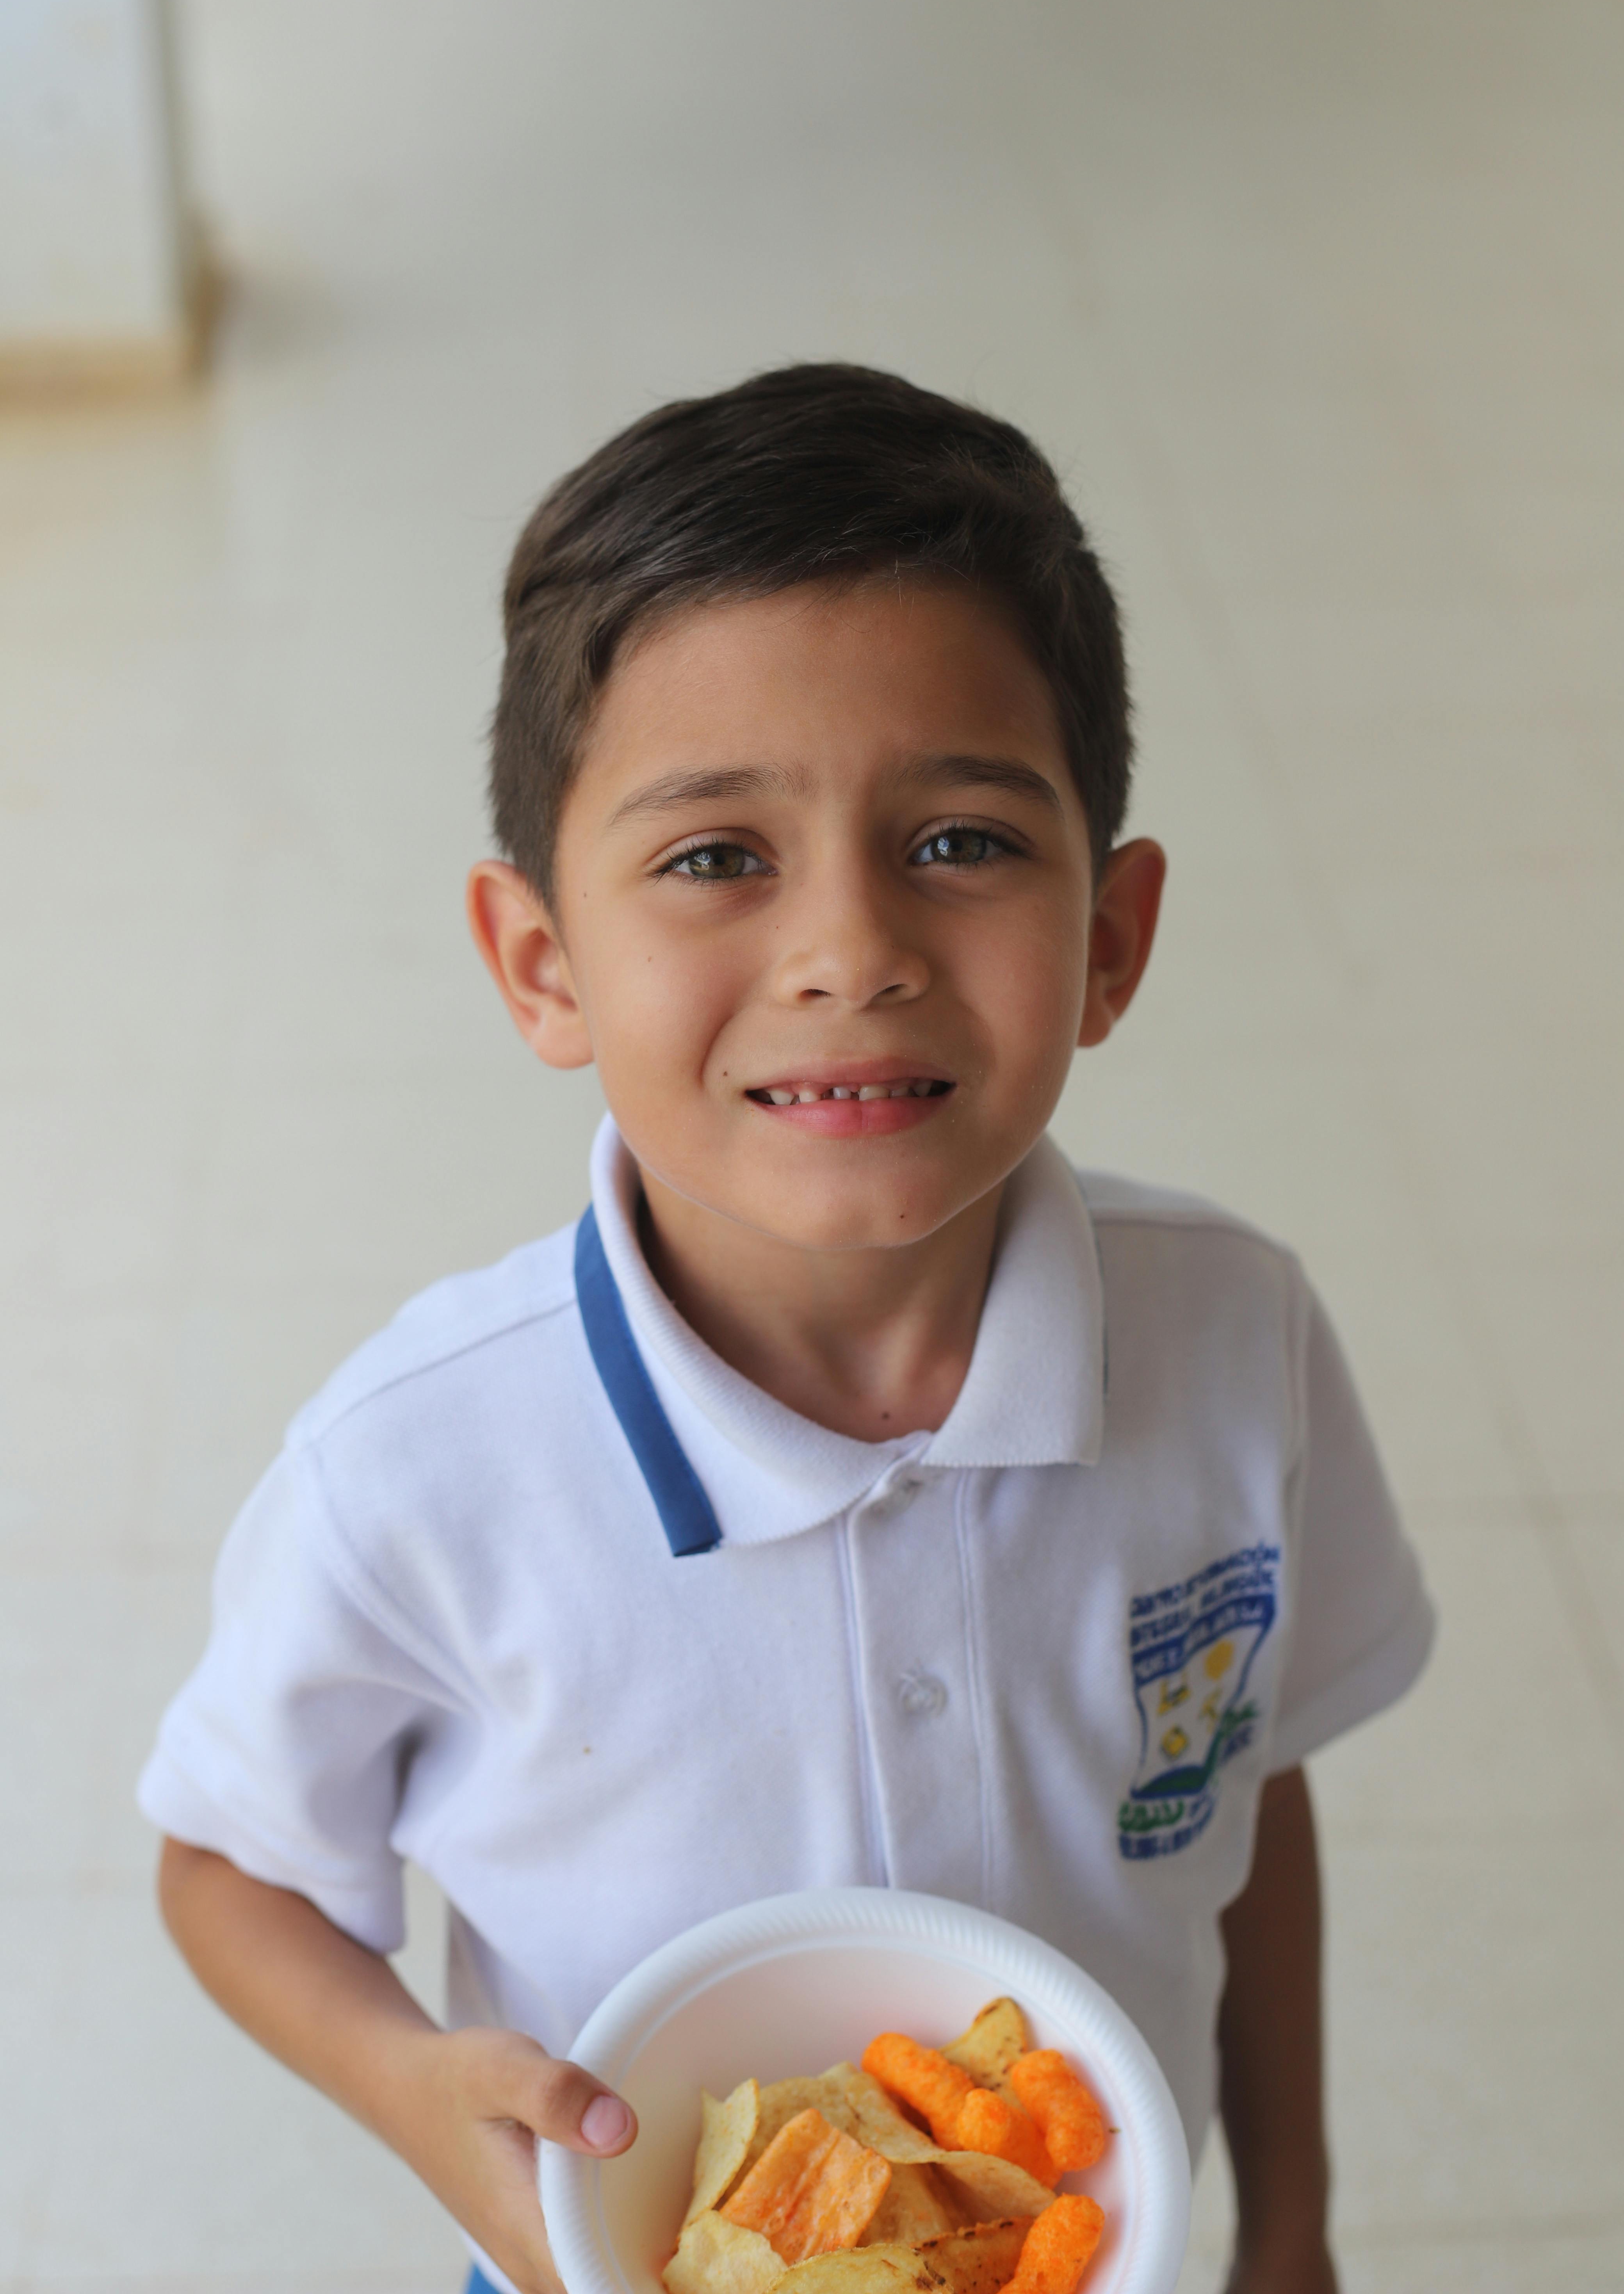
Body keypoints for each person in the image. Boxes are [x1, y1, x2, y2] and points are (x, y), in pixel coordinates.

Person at [141, 364, 1433, 2294]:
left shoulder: (1233, 1337)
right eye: (715, 857)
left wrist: (1295, 2222)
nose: (850, 952)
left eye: (959, 841)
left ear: (1108, 941)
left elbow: (1245, 1787)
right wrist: (412, 2092)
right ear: (542, 964)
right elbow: (226, 1865)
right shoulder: (415, 1470)